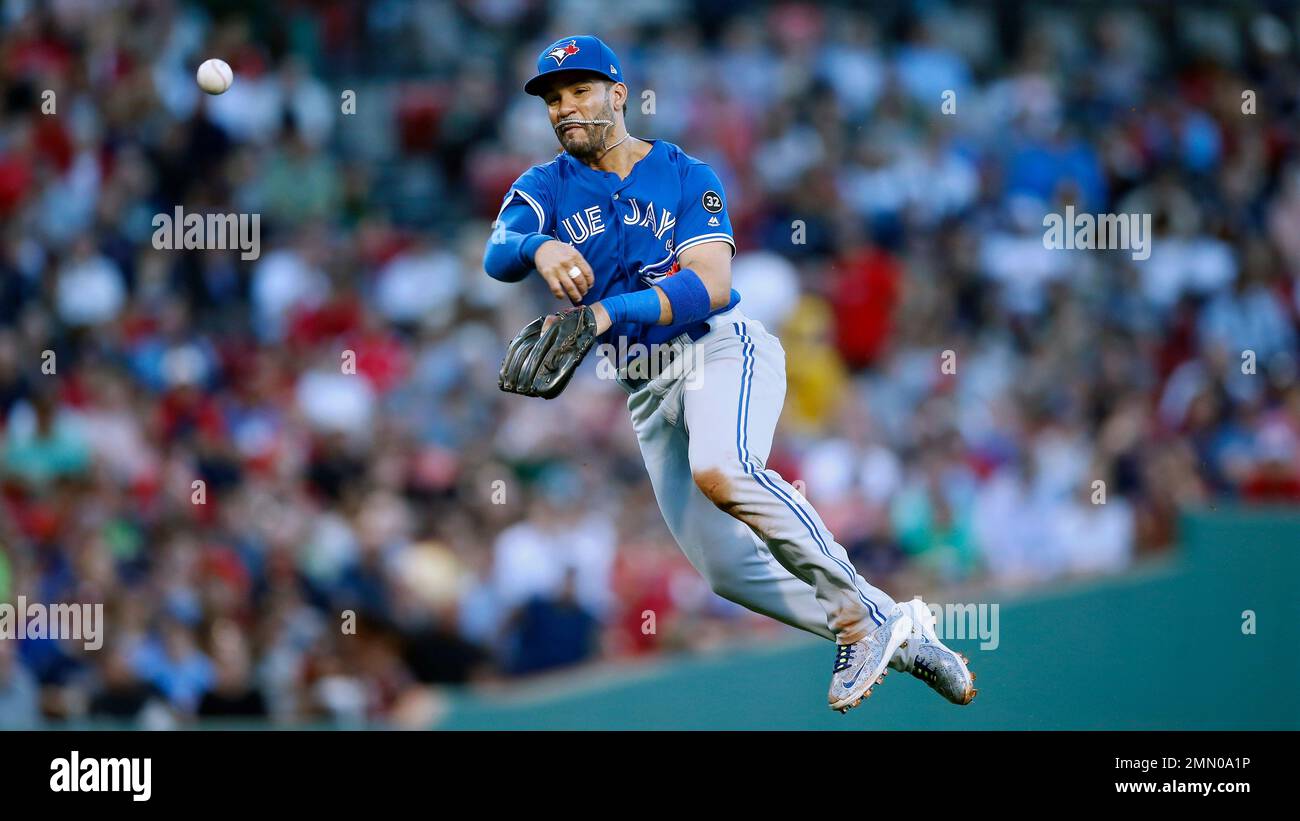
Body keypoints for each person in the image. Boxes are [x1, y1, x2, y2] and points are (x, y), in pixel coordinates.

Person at [483, 35, 975, 712]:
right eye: (554, 98)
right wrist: (539, 246)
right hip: (645, 383)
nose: (566, 107)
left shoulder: (686, 174)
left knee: (725, 469)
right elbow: (497, 251)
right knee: (725, 568)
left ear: (618, 95)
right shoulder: (544, 186)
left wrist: (602, 314)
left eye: (581, 90)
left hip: (716, 348)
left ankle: (865, 619)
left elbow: (710, 285)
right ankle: (895, 626)